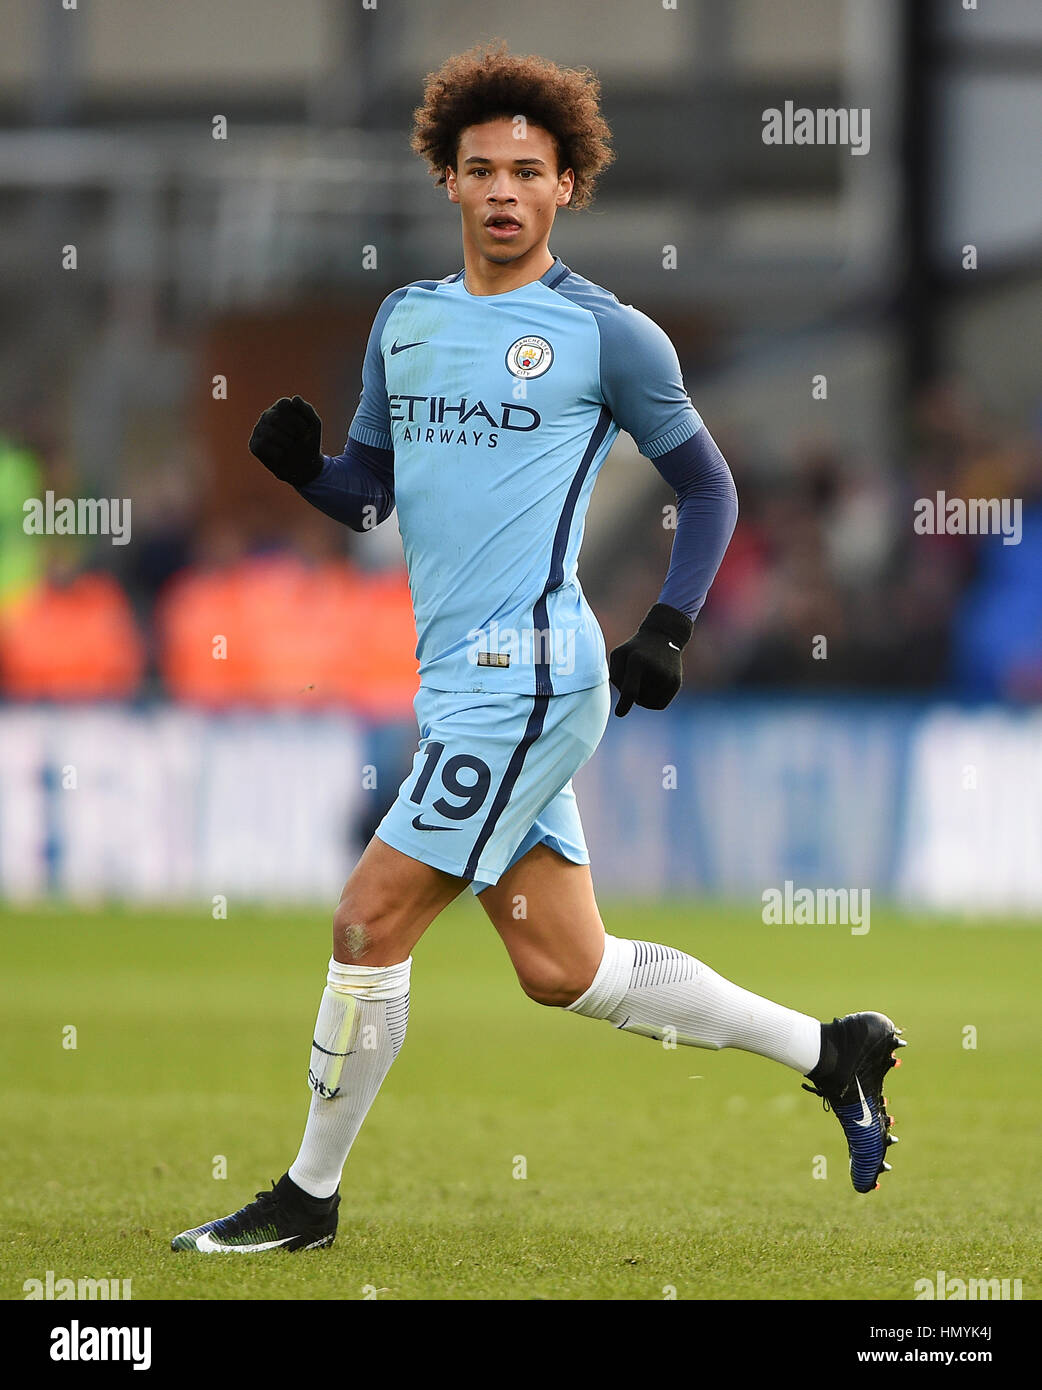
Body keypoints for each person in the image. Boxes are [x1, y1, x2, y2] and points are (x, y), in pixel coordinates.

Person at [172, 44, 903, 1255]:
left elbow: (708, 487)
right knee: (563, 967)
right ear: (447, 184)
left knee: (367, 923)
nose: (504, 189)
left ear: (569, 185)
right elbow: (375, 501)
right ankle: (832, 1051)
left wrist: (666, 627)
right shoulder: (404, 323)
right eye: (480, 169)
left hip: (533, 676)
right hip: (457, 677)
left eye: (529, 169)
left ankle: (304, 1200)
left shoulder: (609, 336)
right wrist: (308, 469)